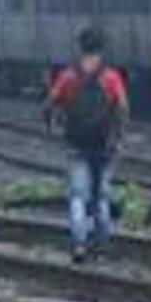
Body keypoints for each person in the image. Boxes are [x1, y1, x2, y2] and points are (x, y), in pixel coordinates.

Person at [42, 26, 129, 263]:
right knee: (101, 196)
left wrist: (51, 126)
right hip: (104, 145)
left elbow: (49, 103)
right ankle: (102, 245)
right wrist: (119, 137)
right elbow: (122, 107)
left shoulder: (69, 76)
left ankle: (79, 244)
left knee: (78, 196)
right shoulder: (111, 77)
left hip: (76, 144)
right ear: (102, 48)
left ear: (80, 47)